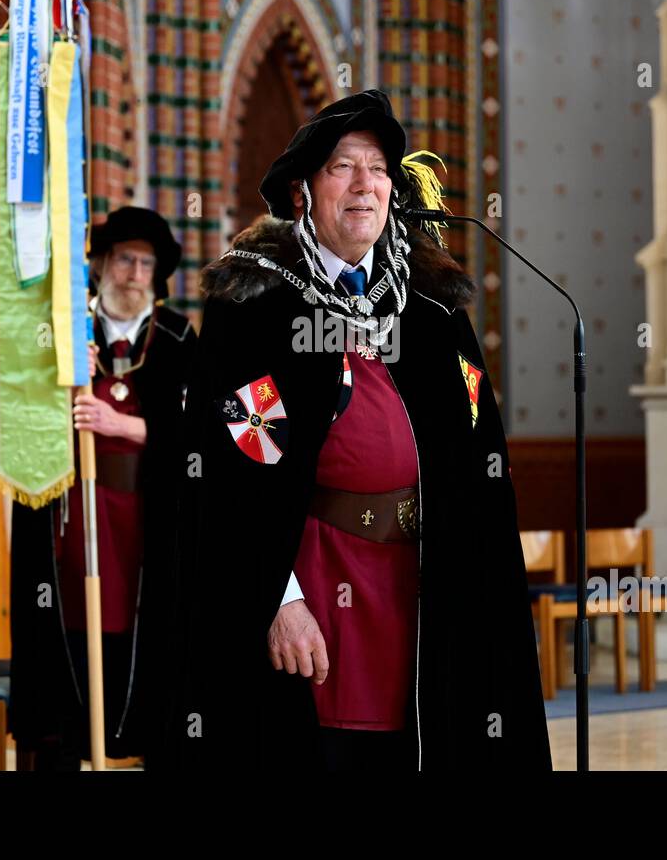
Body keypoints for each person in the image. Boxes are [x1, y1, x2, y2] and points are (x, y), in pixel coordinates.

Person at [157, 89, 549, 770]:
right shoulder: (256, 310)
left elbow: (480, 459)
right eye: (343, 167)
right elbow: (226, 476)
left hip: (423, 595)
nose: (365, 184)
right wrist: (276, 596)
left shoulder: (429, 311)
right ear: (304, 191)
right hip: (317, 584)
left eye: (377, 168)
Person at [10, 205, 197, 769]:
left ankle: (140, 742)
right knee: (65, 625)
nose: (134, 273)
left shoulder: (178, 337)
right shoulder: (61, 333)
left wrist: (125, 426)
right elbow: (20, 417)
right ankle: (66, 741)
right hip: (70, 514)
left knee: (144, 631)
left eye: (145, 263)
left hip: (146, 517)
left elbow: (202, 435)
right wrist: (57, 377)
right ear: (99, 266)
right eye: (123, 260)